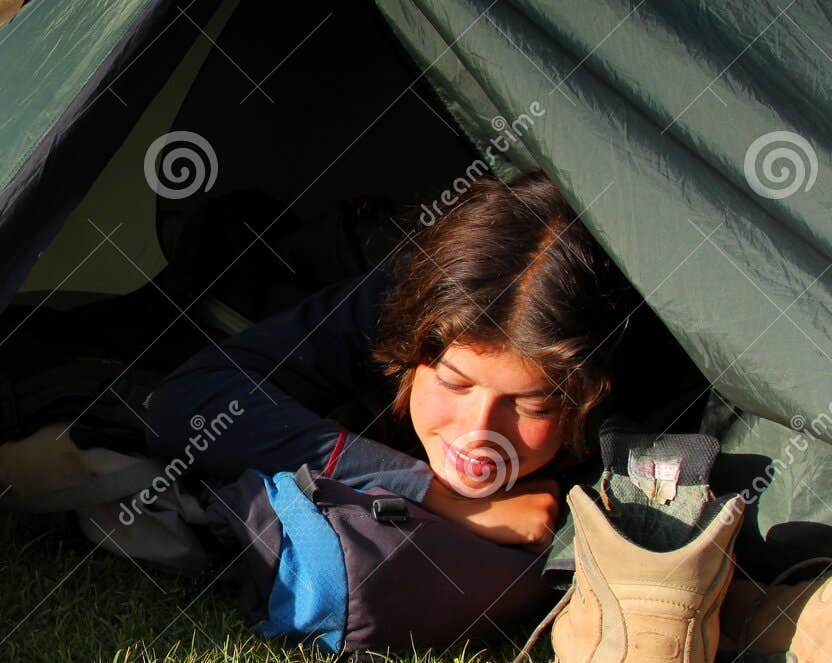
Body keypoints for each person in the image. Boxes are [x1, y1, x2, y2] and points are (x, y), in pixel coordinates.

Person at [145, 172, 628, 551]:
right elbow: (182, 405)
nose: (478, 431)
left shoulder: (632, 396)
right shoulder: (389, 302)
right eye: (456, 384)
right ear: (413, 353)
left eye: (531, 405)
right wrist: (431, 494)